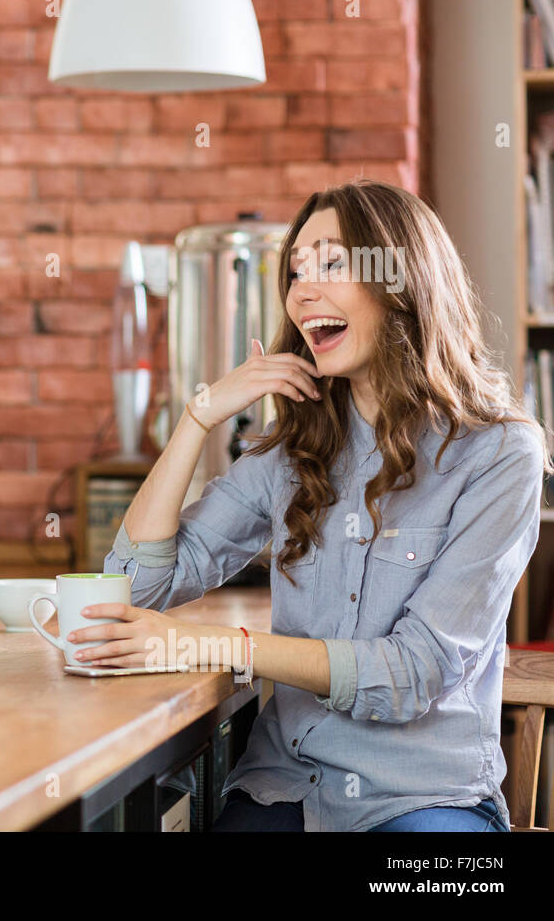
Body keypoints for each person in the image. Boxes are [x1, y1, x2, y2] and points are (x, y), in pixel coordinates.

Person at [74, 180, 550, 831]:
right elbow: (134, 586)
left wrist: (213, 646)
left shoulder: (499, 454)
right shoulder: (297, 446)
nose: (303, 290)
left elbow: (412, 671)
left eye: (331, 264)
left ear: (402, 279)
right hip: (281, 791)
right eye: (296, 271)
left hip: (421, 802)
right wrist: (199, 415)